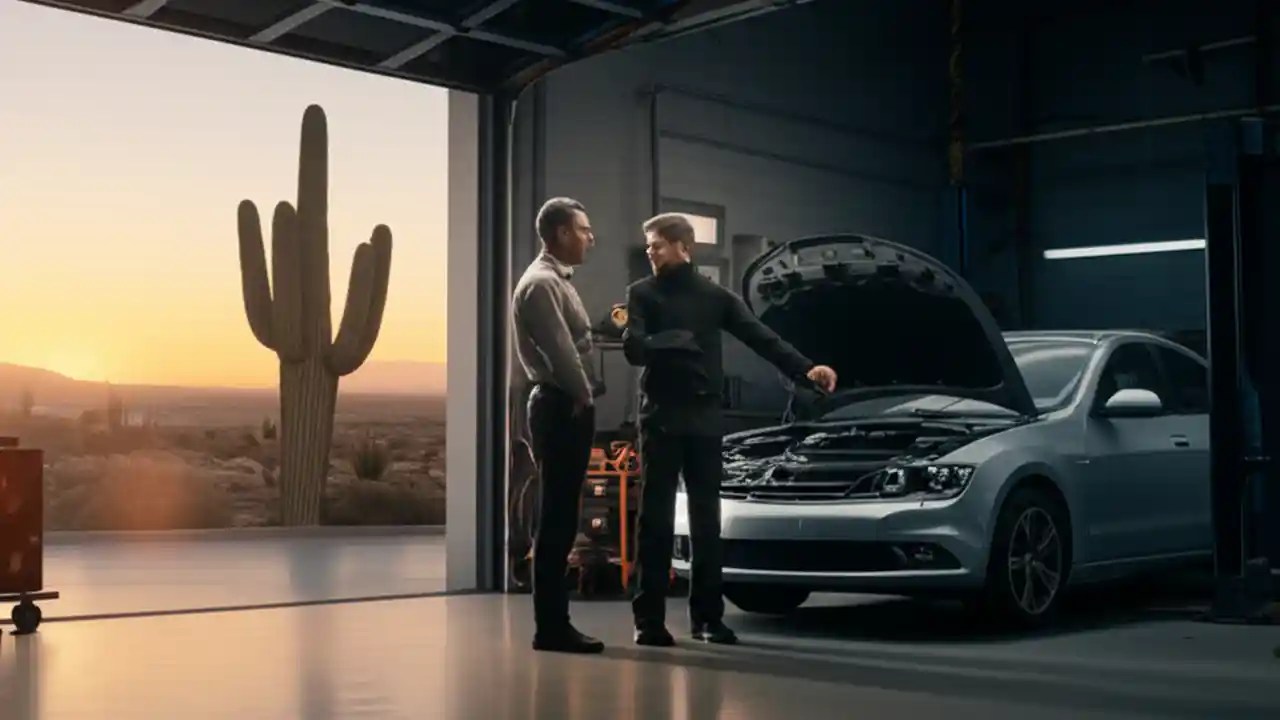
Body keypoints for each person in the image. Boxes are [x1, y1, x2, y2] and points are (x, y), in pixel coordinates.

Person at [622, 213, 837, 646]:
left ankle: (708, 619)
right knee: (655, 523)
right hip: (660, 418)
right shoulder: (641, 293)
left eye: (657, 244)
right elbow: (632, 348)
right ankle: (649, 622)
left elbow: (760, 336)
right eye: (648, 246)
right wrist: (675, 340)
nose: (650, 252)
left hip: (703, 420)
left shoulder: (715, 297)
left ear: (684, 247)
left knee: (707, 523)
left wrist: (806, 368)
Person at [510, 197, 604, 653]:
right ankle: (551, 627)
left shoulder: (556, 281)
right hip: (561, 405)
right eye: (584, 229)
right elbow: (561, 354)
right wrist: (584, 397)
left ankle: (555, 623)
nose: (591, 237)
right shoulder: (542, 284)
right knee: (556, 518)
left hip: (565, 403)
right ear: (562, 233)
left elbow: (577, 341)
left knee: (563, 515)